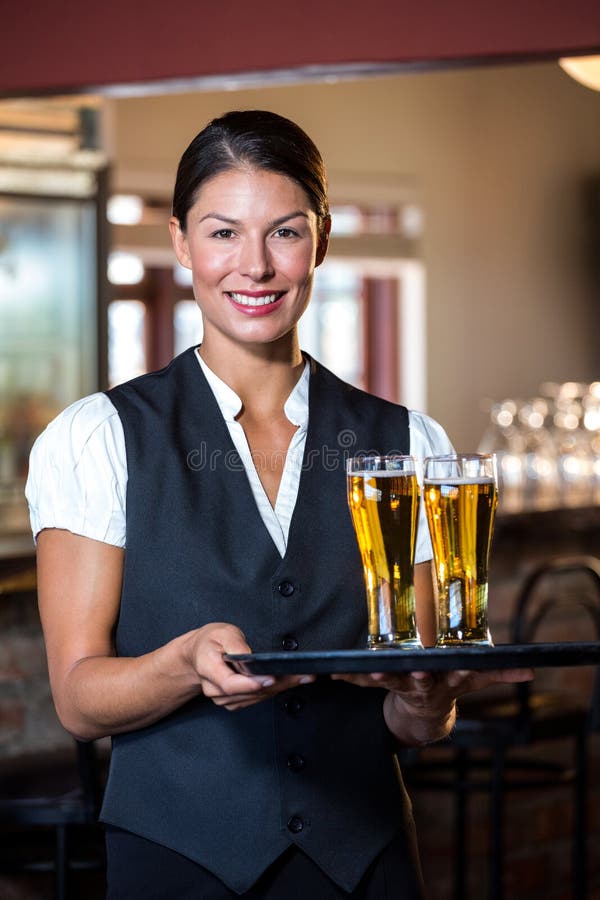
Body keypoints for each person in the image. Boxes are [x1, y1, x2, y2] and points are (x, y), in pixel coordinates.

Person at [25, 109, 532, 900]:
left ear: (321, 240)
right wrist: (184, 665)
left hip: (364, 863)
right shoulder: (99, 439)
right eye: (223, 233)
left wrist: (427, 702)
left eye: (285, 233)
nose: (254, 266)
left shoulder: (409, 441)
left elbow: (414, 719)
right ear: (180, 242)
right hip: (177, 864)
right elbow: (80, 700)